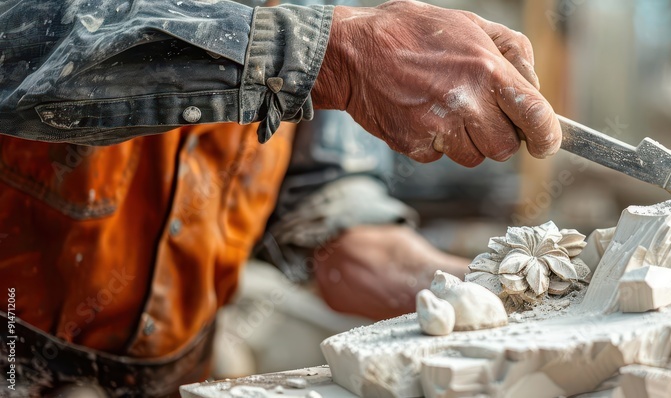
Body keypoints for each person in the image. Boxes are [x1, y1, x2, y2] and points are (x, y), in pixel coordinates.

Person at [0, 0, 561, 395]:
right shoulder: (330, 35)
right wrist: (322, 52)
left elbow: (347, 241)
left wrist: (502, 295)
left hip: (174, 375)